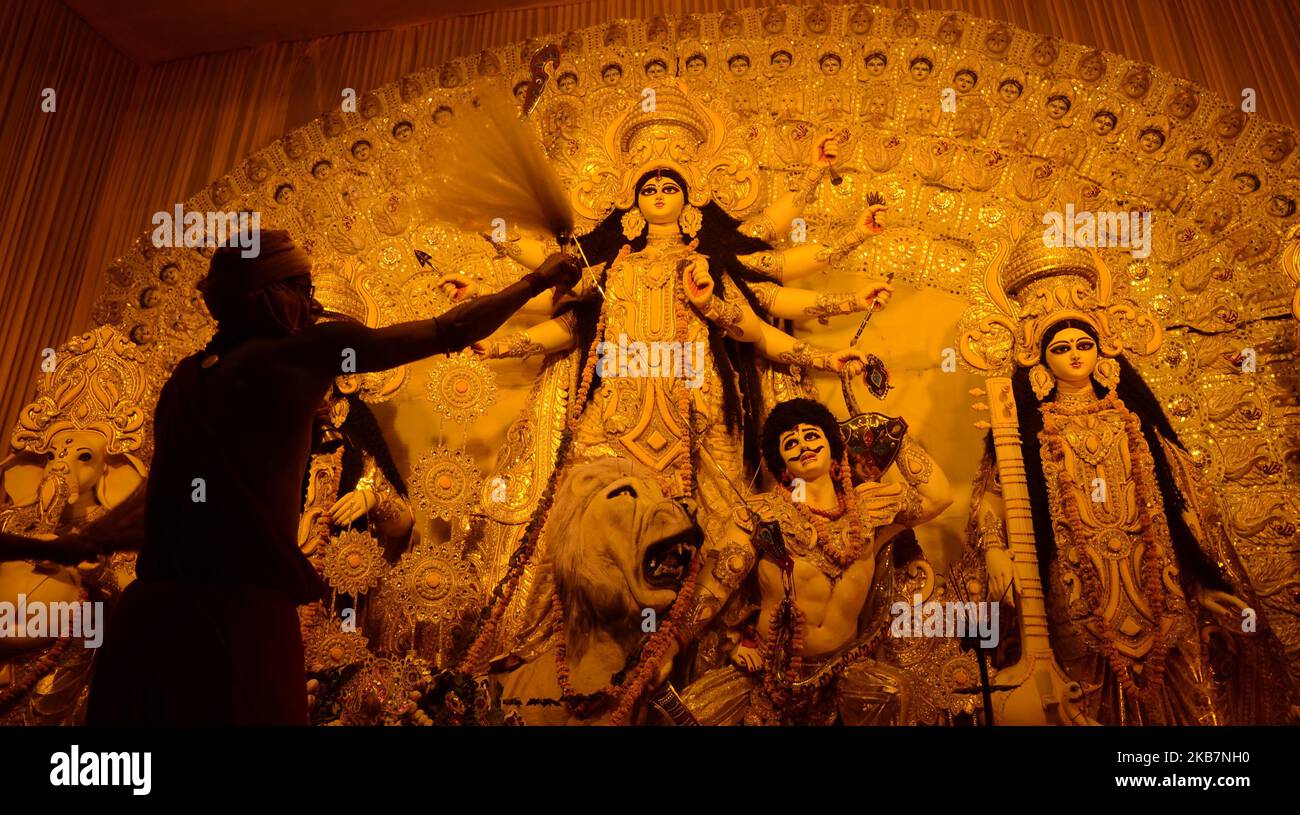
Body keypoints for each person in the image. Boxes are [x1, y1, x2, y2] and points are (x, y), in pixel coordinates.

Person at [85, 229, 578, 724]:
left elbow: (160, 503)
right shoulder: (302, 352)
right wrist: (536, 280)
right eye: (301, 287)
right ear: (267, 294)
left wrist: (81, 541)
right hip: (237, 620)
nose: (312, 300)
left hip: (149, 624)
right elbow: (448, 331)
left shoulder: (186, 380)